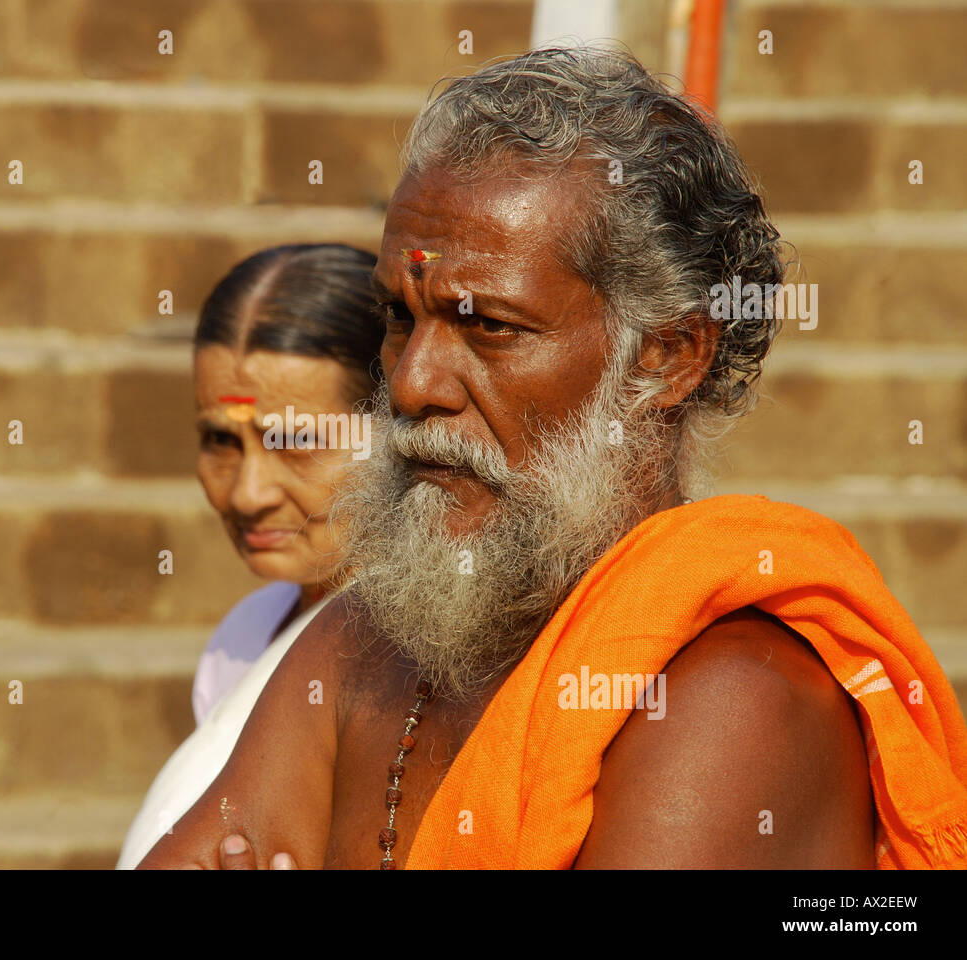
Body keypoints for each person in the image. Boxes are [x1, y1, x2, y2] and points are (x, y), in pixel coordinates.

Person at [138, 46, 967, 870]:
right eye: (399, 317)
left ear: (667, 355)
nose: (415, 384)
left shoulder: (729, 693)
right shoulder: (361, 642)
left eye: (490, 327)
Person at [115, 243, 383, 868]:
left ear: (397, 431)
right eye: (219, 440)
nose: (247, 493)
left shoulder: (430, 656)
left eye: (296, 441)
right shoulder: (244, 636)